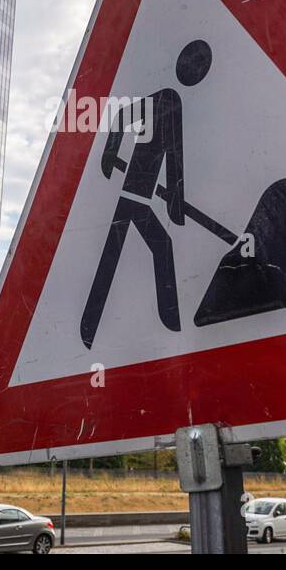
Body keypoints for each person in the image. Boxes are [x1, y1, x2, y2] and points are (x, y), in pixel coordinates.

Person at [79, 39, 212, 349]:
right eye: (198, 65)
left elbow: (174, 159)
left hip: (141, 199)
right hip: (131, 196)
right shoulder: (168, 98)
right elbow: (123, 115)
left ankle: (169, 327)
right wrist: (110, 152)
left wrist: (175, 203)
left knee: (152, 249)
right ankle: (92, 329)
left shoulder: (176, 105)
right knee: (129, 254)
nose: (199, 71)